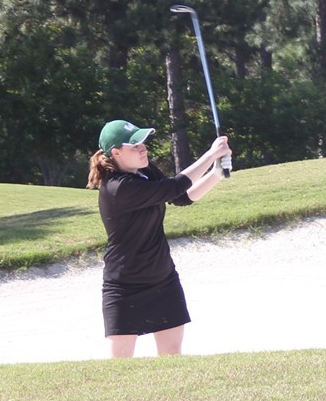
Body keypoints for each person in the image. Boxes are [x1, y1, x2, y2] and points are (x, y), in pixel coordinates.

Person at [87, 118, 232, 358]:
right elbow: (173, 187)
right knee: (120, 366)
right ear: (116, 153)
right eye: (134, 146)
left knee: (172, 358)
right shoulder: (117, 188)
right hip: (124, 285)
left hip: (163, 279)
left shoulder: (145, 171)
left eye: (142, 142)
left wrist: (216, 173)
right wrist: (210, 155)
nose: (143, 148)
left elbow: (181, 196)